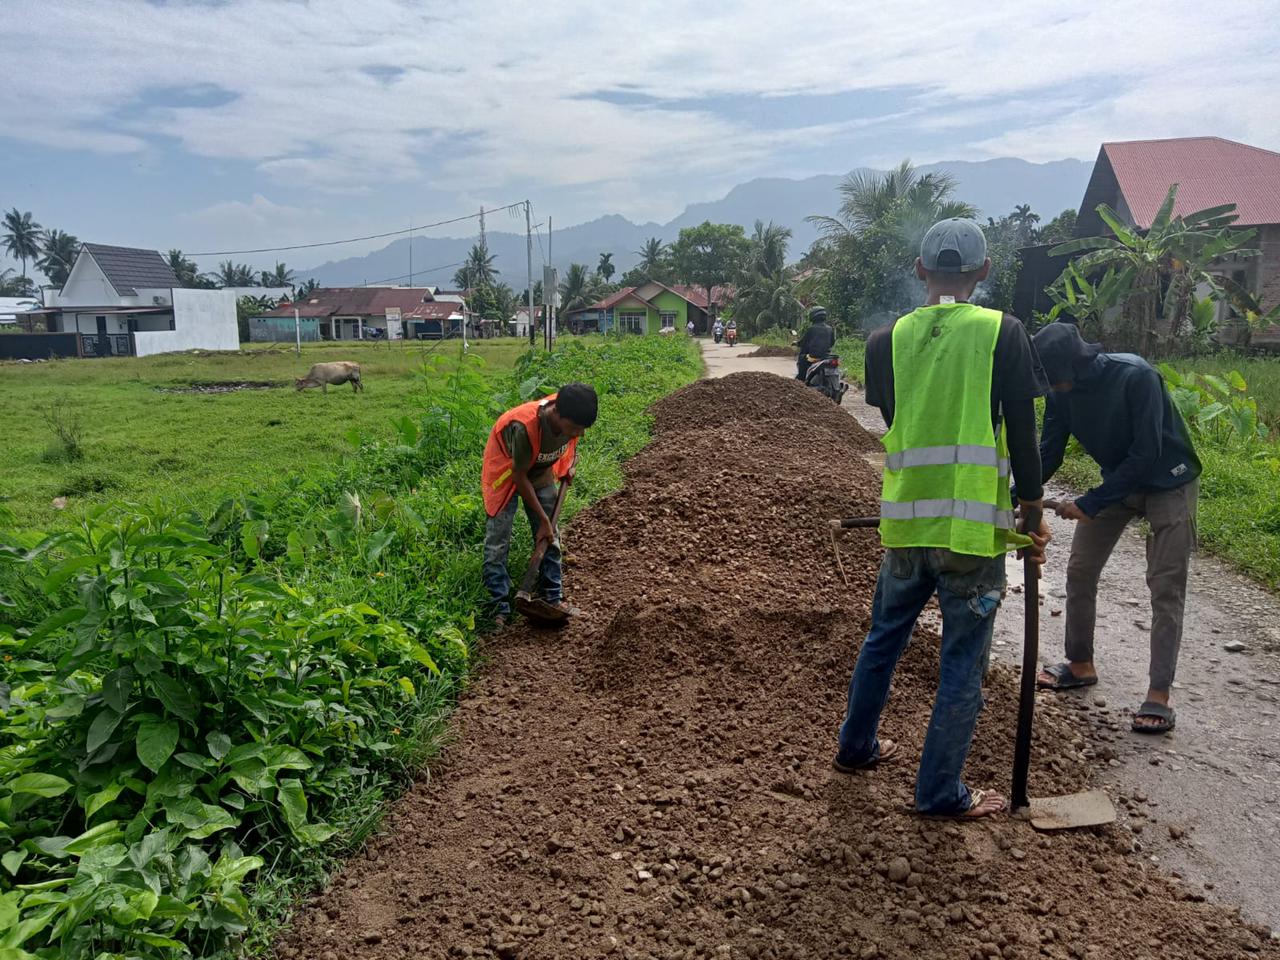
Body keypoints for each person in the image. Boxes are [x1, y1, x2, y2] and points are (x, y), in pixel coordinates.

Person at [834, 218, 1049, 818]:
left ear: (921, 270)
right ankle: (937, 793)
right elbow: (1024, 441)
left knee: (883, 637)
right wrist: (1032, 514)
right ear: (983, 272)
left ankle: (855, 747)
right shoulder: (1003, 333)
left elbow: (898, 413)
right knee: (960, 660)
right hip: (970, 531)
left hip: (906, 523)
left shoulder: (885, 341)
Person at [1031, 322, 1200, 735]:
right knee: (1080, 570)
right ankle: (1080, 663)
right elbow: (1049, 452)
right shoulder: (1060, 392)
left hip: (1168, 479)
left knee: (1165, 585)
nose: (1054, 387)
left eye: (1057, 379)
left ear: (1079, 364)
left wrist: (1089, 503)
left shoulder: (1137, 376)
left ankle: (1159, 693)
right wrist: (1020, 491)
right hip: (1117, 483)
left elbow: (1147, 453)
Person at [481, 383, 599, 627]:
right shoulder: (524, 427)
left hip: (539, 469)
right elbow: (519, 476)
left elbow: (569, 444)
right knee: (498, 540)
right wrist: (543, 521)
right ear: (557, 414)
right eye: (575, 428)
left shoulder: (570, 411)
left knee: (551, 538)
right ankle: (498, 607)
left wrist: (567, 467)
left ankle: (552, 597)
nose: (579, 434)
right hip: (508, 472)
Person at [796, 305, 836, 381]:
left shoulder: (811, 329)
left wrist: (797, 343)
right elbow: (832, 342)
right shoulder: (830, 328)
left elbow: (803, 342)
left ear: (813, 316)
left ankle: (801, 381)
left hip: (814, 357)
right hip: (827, 356)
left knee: (801, 358)